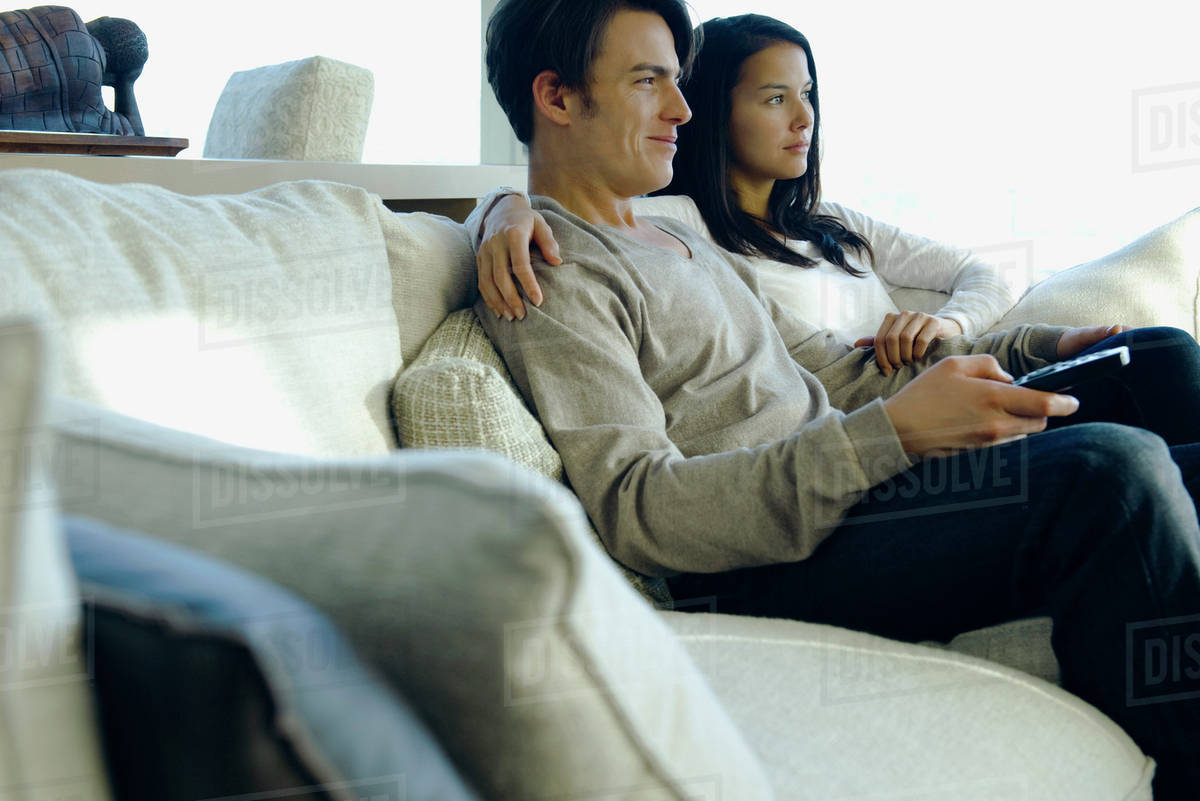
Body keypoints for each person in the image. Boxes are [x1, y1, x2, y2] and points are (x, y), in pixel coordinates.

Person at [479, 0, 1200, 797]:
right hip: (763, 561)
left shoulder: (677, 229)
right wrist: (890, 435)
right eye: (649, 82)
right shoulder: (549, 270)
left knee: (1162, 396)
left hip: (849, 485)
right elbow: (640, 507)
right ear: (556, 97)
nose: (683, 110)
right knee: (1112, 472)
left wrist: (1026, 348)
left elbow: (833, 367)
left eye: (677, 82)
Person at [473, 13, 1026, 374]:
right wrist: (501, 208)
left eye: (806, 94)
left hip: (919, 391)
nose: (804, 118)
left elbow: (982, 274)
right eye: (774, 99)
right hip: (858, 429)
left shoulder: (828, 221)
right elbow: (570, 213)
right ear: (715, 111)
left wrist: (949, 325)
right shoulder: (682, 226)